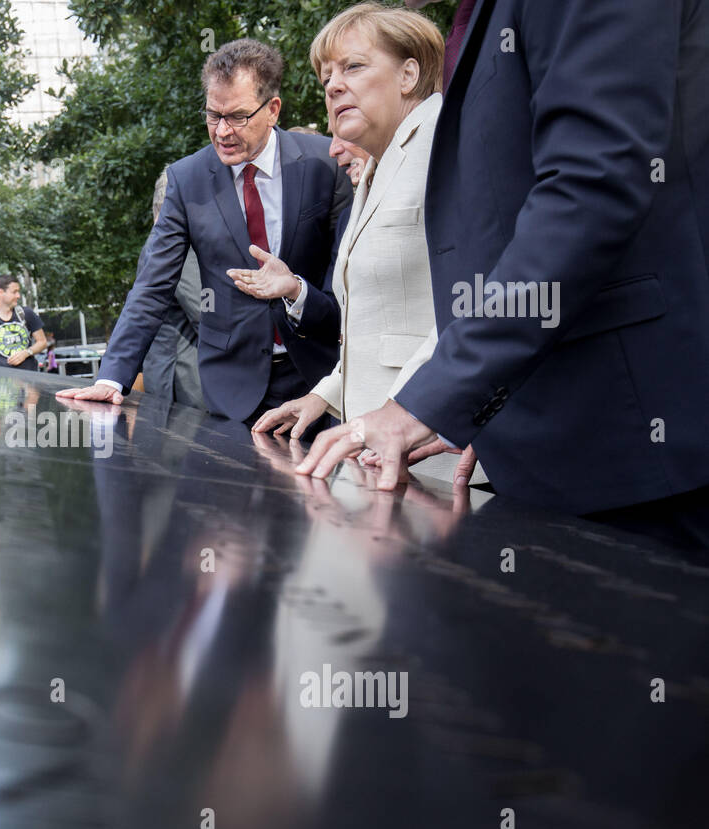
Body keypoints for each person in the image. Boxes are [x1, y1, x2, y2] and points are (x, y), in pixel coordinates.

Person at [298, 0, 709, 553]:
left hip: (634, 450)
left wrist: (437, 400)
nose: (335, 88)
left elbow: (589, 191)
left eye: (352, 67)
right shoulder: (478, 27)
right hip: (541, 448)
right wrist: (485, 415)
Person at [58, 38, 351, 425]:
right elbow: (152, 286)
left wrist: (297, 293)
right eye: (213, 115)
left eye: (238, 116)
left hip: (320, 381)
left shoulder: (325, 164)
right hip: (232, 392)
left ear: (273, 109)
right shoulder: (186, 179)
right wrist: (113, 377)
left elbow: (345, 286)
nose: (223, 131)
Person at [250, 4, 482, 485]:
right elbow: (381, 328)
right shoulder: (375, 167)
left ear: (409, 73)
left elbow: (475, 305)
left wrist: (411, 412)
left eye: (353, 66)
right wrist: (324, 396)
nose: (333, 85)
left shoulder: (448, 143)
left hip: (434, 455)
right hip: (373, 454)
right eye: (326, 76)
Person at [138, 168, 207, 410]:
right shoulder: (172, 245)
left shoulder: (155, 244)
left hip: (171, 382)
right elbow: (203, 312)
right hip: (186, 385)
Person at [0, 274, 46, 370]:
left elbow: (42, 342)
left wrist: (27, 352)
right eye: (14, 292)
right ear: (1, 292)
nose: (18, 296)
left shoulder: (26, 314)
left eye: (18, 291)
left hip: (29, 379)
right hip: (1, 381)